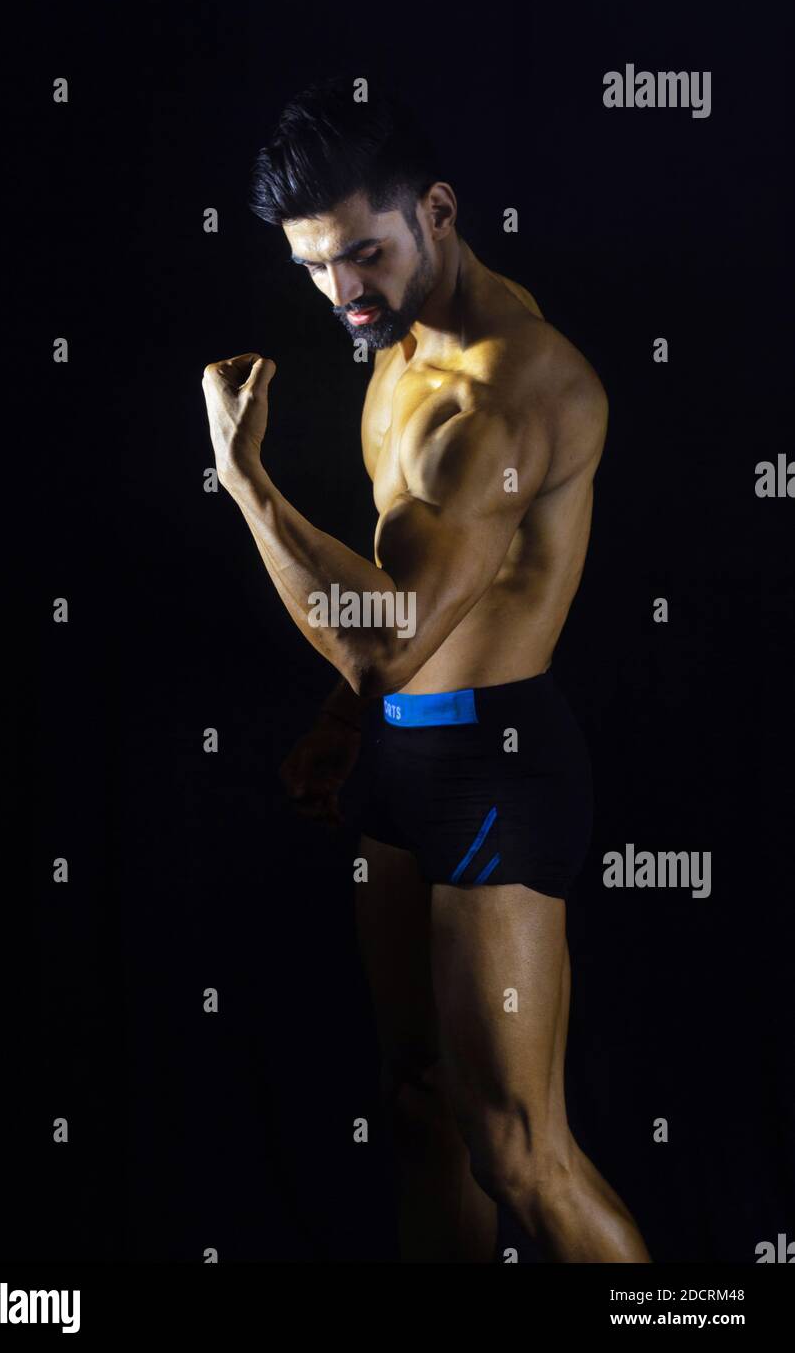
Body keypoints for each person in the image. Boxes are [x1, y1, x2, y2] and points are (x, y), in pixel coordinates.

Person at [202, 76, 651, 1262]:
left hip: (495, 770)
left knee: (518, 1150)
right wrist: (346, 722)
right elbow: (400, 610)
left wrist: (246, 482)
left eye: (363, 252)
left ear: (437, 211)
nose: (340, 290)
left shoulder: (504, 391)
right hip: (400, 754)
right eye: (313, 265)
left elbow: (382, 634)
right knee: (417, 1107)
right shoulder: (399, 344)